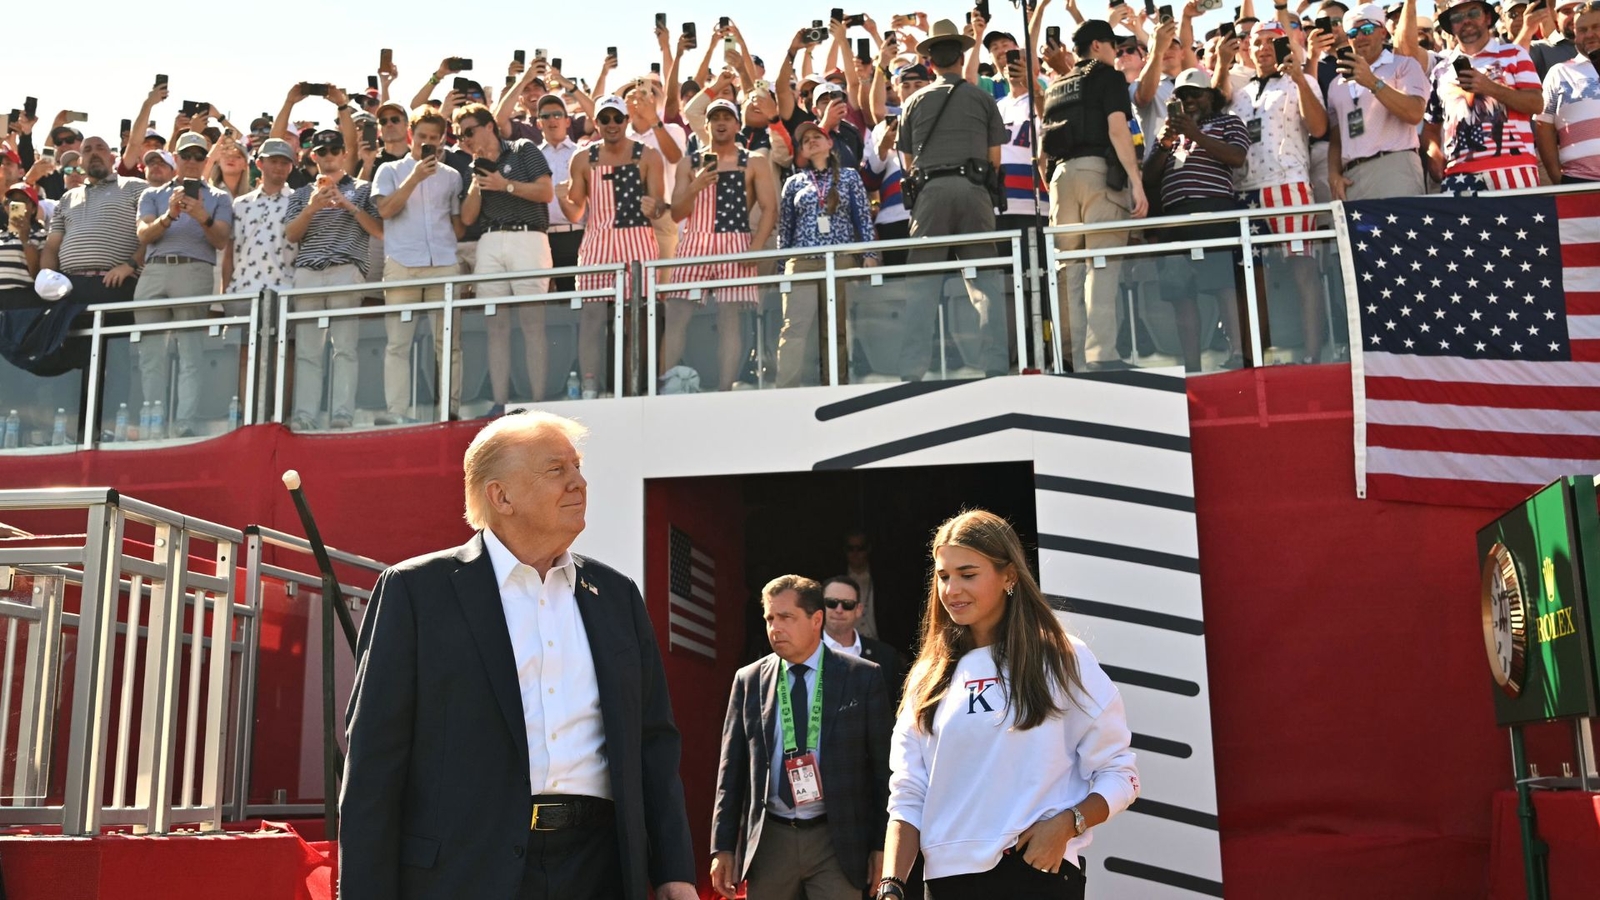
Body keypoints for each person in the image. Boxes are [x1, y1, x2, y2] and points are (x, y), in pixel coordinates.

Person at [340, 411, 697, 900]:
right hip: (466, 872)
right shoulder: (416, 592)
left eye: (577, 467)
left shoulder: (616, 596)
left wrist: (674, 871)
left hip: (602, 870)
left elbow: (653, 743)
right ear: (500, 496)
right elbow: (374, 763)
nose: (579, 482)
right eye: (556, 471)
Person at [874, 510, 1138, 900]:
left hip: (1038, 872)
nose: (952, 590)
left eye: (968, 574)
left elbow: (1121, 774)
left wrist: (1068, 825)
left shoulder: (1062, 659)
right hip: (947, 883)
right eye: (944, 576)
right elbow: (909, 793)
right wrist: (891, 884)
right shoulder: (926, 677)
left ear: (1009, 576)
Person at [711, 574, 892, 900]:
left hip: (836, 840)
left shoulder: (862, 676)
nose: (775, 628)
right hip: (771, 838)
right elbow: (731, 772)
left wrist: (882, 846)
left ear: (816, 619)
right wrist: (722, 846)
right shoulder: (749, 680)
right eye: (769, 618)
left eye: (786, 617)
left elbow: (884, 770)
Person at [895, 18, 1013, 383]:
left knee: (921, 285)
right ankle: (994, 364)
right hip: (974, 190)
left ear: (930, 62)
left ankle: (912, 369)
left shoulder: (913, 101)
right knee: (985, 284)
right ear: (961, 58)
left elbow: (908, 162)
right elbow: (995, 159)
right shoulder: (981, 96)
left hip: (930, 193)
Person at [1042, 19, 1150, 373]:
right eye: (1114, 46)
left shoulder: (1056, 84)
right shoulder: (1108, 76)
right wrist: (1135, 180)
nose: (1118, 53)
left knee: (1069, 269)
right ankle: (1101, 355)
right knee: (1100, 265)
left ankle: (1072, 356)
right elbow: (1117, 129)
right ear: (1099, 47)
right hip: (1096, 174)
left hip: (1060, 179)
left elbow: (1043, 153)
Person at [1229, 21, 1330, 364]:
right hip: (1245, 190)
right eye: (1257, 42)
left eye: (1272, 42)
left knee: (1302, 269)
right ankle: (1256, 355)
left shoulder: (1301, 82)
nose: (1263, 48)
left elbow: (1318, 127)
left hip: (1288, 183)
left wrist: (1300, 78)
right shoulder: (1239, 94)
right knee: (1251, 274)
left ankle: (1313, 355)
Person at [662, 99, 776, 393]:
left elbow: (769, 208)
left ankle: (726, 388)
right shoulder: (689, 163)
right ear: (707, 124)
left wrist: (756, 246)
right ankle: (664, 386)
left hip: (735, 242)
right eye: (715, 118)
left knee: (730, 319)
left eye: (727, 117)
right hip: (695, 241)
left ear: (737, 125)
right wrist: (696, 185)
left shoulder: (754, 161)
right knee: (676, 314)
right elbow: (676, 213)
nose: (721, 123)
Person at [1144, 68, 1250, 372]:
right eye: (1182, 95)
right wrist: (1165, 145)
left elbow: (1237, 157)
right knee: (1181, 293)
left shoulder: (1230, 121)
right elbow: (1149, 178)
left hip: (1213, 212)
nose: (1188, 100)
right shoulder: (1166, 130)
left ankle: (1237, 355)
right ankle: (1191, 367)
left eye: (1195, 94)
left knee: (1222, 286)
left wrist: (1195, 135)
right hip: (1173, 219)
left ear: (1211, 96)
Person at [561, 96, 667, 397]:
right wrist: (560, 199)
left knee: (639, 318)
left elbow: (659, 206)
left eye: (616, 118)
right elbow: (577, 211)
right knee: (592, 318)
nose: (611, 124)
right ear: (596, 122)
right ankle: (590, 384)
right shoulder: (582, 158)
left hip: (638, 243)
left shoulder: (648, 156)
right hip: (598, 243)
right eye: (604, 119)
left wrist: (654, 206)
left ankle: (638, 384)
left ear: (626, 120)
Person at [455, 102, 557, 412]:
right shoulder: (473, 166)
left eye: (470, 131)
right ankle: (500, 402)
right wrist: (478, 180)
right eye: (461, 135)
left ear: (489, 126)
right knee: (495, 326)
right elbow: (468, 218)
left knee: (532, 323)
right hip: (489, 241)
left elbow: (546, 192)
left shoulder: (523, 148)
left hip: (528, 236)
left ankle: (538, 403)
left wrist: (505, 185)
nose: (466, 139)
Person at [132, 132, 234, 438]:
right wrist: (169, 216)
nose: (191, 162)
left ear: (205, 161)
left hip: (195, 270)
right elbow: (143, 235)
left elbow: (220, 240)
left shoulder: (218, 197)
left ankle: (184, 421)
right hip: (155, 270)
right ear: (175, 158)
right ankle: (153, 420)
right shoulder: (152, 194)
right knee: (150, 354)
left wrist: (202, 215)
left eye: (198, 157)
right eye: (186, 156)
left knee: (190, 350)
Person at [282, 129, 383, 431]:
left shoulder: (363, 189)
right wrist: (313, 206)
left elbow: (378, 230)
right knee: (308, 350)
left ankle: (342, 414)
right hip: (309, 271)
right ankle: (305, 415)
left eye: (334, 150)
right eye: (322, 151)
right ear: (313, 156)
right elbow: (291, 234)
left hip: (346, 269)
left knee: (345, 348)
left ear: (343, 154)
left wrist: (347, 204)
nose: (328, 156)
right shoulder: (300, 194)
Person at [374, 108, 463, 425]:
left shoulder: (452, 176)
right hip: (403, 264)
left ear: (441, 140)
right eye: (422, 136)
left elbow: (458, 224)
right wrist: (415, 177)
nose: (427, 143)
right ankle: (396, 412)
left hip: (443, 263)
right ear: (411, 134)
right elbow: (385, 210)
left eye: (433, 138)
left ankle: (449, 409)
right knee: (398, 343)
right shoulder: (389, 170)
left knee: (449, 343)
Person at [774, 121, 876, 389]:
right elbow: (785, 229)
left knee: (836, 328)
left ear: (830, 143)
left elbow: (863, 218)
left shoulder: (850, 176)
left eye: (816, 136)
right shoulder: (794, 183)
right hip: (802, 263)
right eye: (805, 139)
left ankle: (835, 385)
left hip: (840, 258)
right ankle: (786, 389)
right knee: (794, 327)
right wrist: (782, 268)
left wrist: (870, 253)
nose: (810, 141)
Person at [1424, 0, 1545, 191]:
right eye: (1457, 17)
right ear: (1450, 26)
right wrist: (1434, 155)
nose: (1466, 21)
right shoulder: (1440, 70)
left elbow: (1536, 104)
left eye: (1473, 13)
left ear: (1487, 17)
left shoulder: (1514, 53)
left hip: (1514, 170)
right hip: (1458, 174)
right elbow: (1431, 127)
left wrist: (1490, 88)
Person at [1327, 4, 1432, 201]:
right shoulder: (1336, 83)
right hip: (1352, 177)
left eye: (1367, 29)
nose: (1360, 37)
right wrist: (1333, 174)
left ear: (1383, 32)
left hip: (1395, 167)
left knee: (1401, 231)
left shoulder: (1404, 64)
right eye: (1353, 32)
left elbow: (1415, 113)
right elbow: (1336, 138)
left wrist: (1373, 83)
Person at [1536, 1, 1600, 182]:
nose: (1589, 34)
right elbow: (1544, 128)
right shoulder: (1559, 73)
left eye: (1596, 27)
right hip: (1577, 181)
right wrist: (1558, 179)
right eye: (1582, 30)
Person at [821, 575, 905, 702]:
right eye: (831, 603)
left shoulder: (886, 656)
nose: (839, 610)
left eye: (847, 604)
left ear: (859, 610)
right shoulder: (803, 652)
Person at [1530, 0, 1583, 79]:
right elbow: (1511, 63)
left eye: (1579, 11)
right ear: (1555, 16)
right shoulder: (1538, 49)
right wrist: (1527, 30)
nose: (1574, 16)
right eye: (1567, 12)